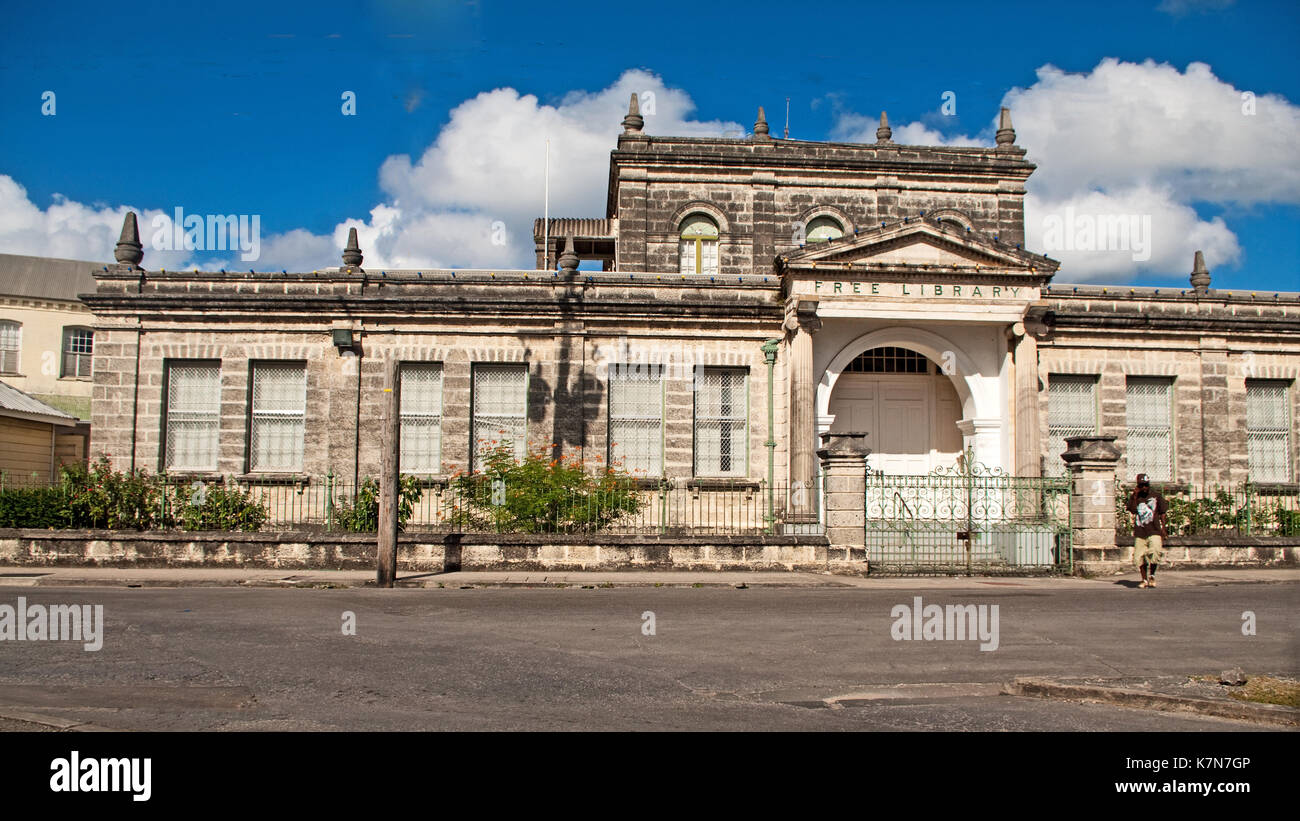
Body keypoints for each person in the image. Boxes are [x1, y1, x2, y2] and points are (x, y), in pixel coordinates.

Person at [1126, 474, 1168, 588]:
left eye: (1146, 485)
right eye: (1142, 485)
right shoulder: (1135, 497)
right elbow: (1133, 510)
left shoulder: (1156, 496)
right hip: (1140, 531)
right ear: (1138, 486)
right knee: (1139, 556)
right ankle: (1144, 579)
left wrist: (1164, 528)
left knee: (1155, 551)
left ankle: (1152, 575)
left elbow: (1163, 512)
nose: (1145, 488)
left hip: (1154, 529)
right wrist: (1134, 496)